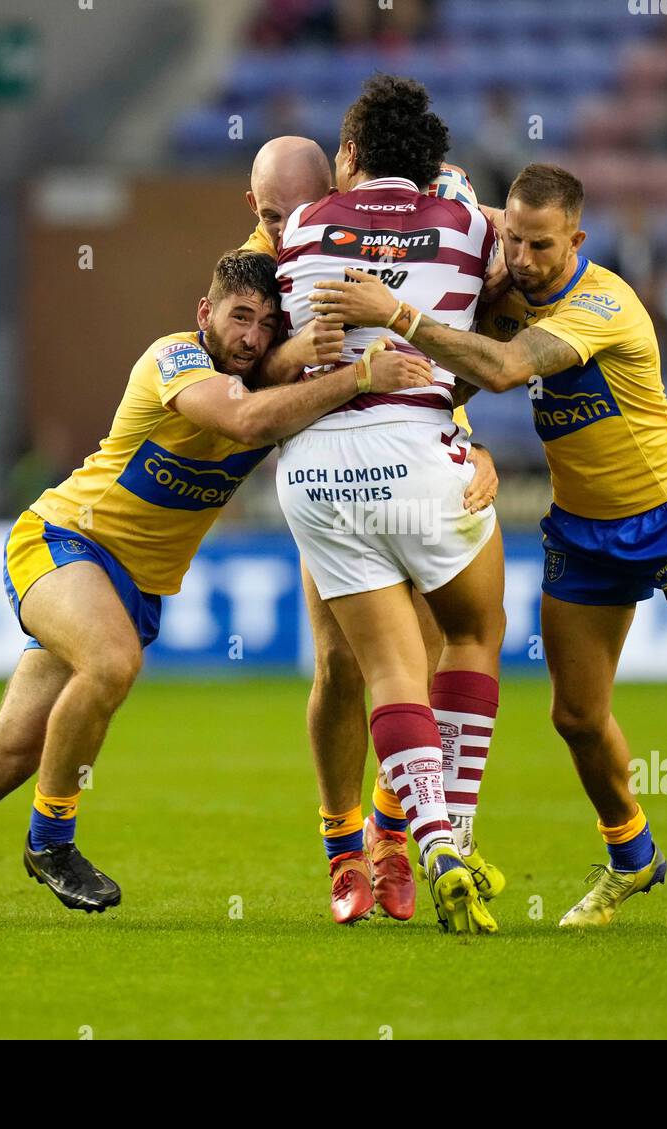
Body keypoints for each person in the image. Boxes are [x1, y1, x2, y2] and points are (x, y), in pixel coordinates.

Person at [311, 163, 667, 934]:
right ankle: (632, 853)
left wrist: (400, 315)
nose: (521, 257)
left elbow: (506, 366)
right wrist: (462, 444)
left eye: (541, 244)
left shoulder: (602, 302)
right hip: (583, 533)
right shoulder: (508, 291)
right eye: (513, 239)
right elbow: (451, 392)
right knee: (577, 718)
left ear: (577, 238)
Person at [0, 251, 431, 923]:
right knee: (112, 661)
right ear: (204, 315)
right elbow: (245, 421)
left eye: (266, 324)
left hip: (127, 588)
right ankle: (51, 842)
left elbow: (301, 405)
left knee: (8, 756)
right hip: (62, 540)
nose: (250, 335)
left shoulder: (272, 387)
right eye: (238, 316)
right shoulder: (175, 359)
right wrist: (359, 374)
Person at [239, 134, 504, 924]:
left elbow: (453, 329)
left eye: (300, 204)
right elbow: (239, 367)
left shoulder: (341, 221)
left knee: (417, 656)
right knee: (339, 666)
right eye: (276, 213)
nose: (290, 221)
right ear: (254, 210)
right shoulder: (257, 263)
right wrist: (296, 352)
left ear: (338, 175)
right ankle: (344, 847)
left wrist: (468, 437)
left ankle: (397, 834)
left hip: (403, 449)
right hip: (337, 463)